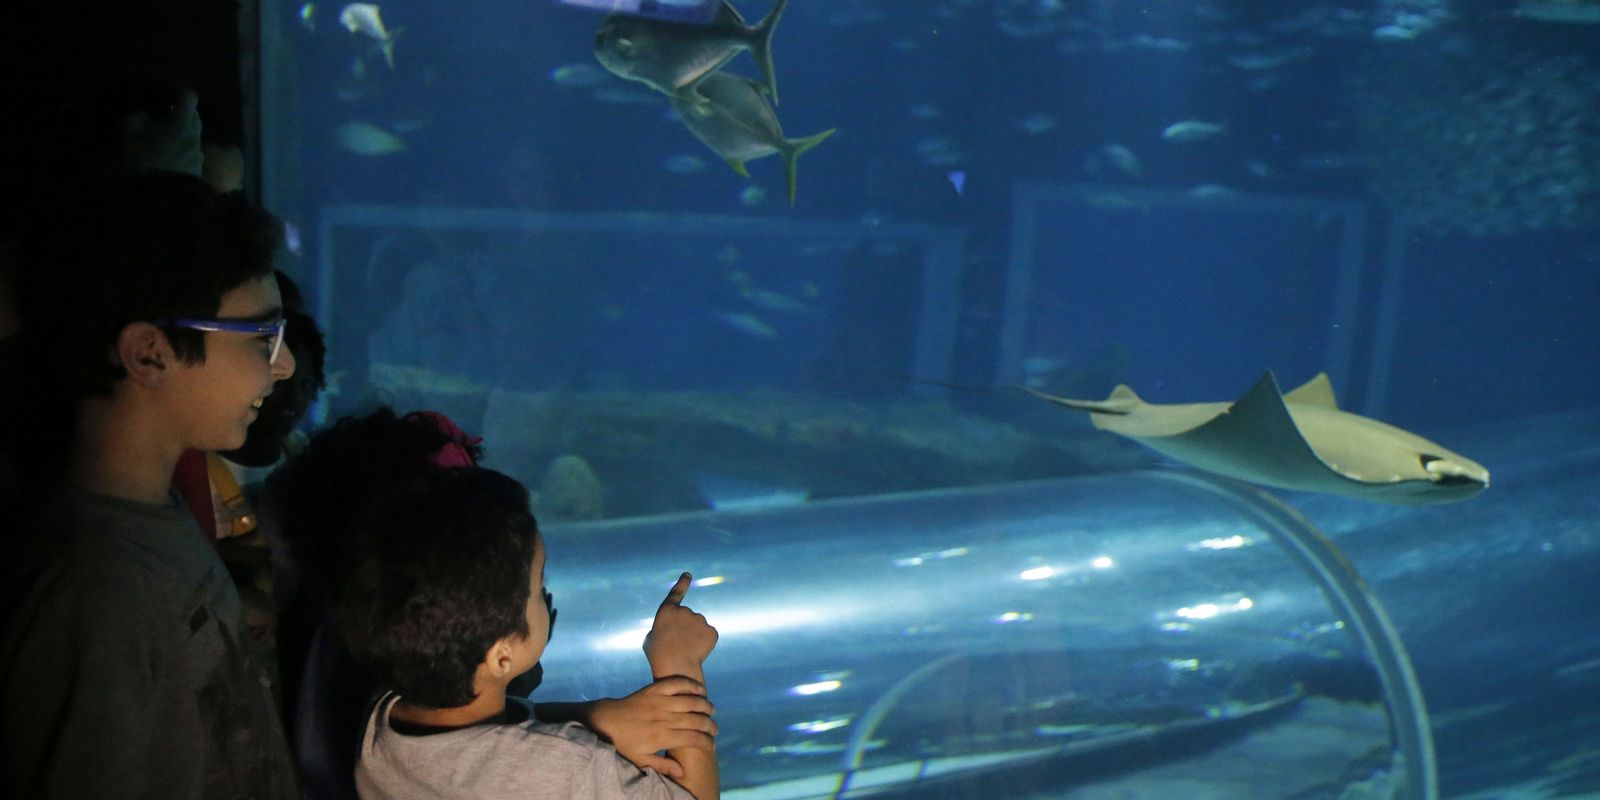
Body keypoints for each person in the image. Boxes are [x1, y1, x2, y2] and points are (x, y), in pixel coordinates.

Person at [0, 171, 300, 798]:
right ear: (148, 354)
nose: (286, 364)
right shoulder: (90, 591)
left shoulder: (151, 513)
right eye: (263, 336)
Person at [270, 409, 721, 799]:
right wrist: (679, 665)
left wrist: (591, 718)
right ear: (503, 654)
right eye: (537, 588)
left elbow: (483, 745)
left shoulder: (381, 719)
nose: (545, 596)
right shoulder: (570, 768)